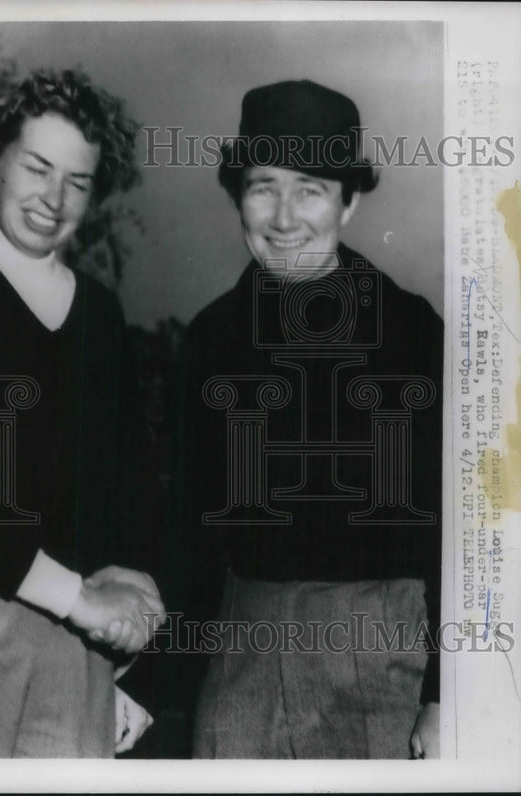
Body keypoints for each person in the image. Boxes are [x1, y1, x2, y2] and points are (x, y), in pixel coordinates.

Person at [178, 80, 442, 759]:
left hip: (383, 660)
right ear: (238, 194)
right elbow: (186, 528)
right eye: (263, 185)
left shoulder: (411, 330)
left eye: (311, 188)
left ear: (350, 202)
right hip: (241, 654)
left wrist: (444, 694)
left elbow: (461, 528)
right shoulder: (210, 337)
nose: (283, 215)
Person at [0, 69, 165, 758]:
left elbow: (127, 484)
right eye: (37, 167)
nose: (54, 197)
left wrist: (135, 592)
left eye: (78, 180)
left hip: (81, 646)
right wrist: (81, 599)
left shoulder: (101, 313)